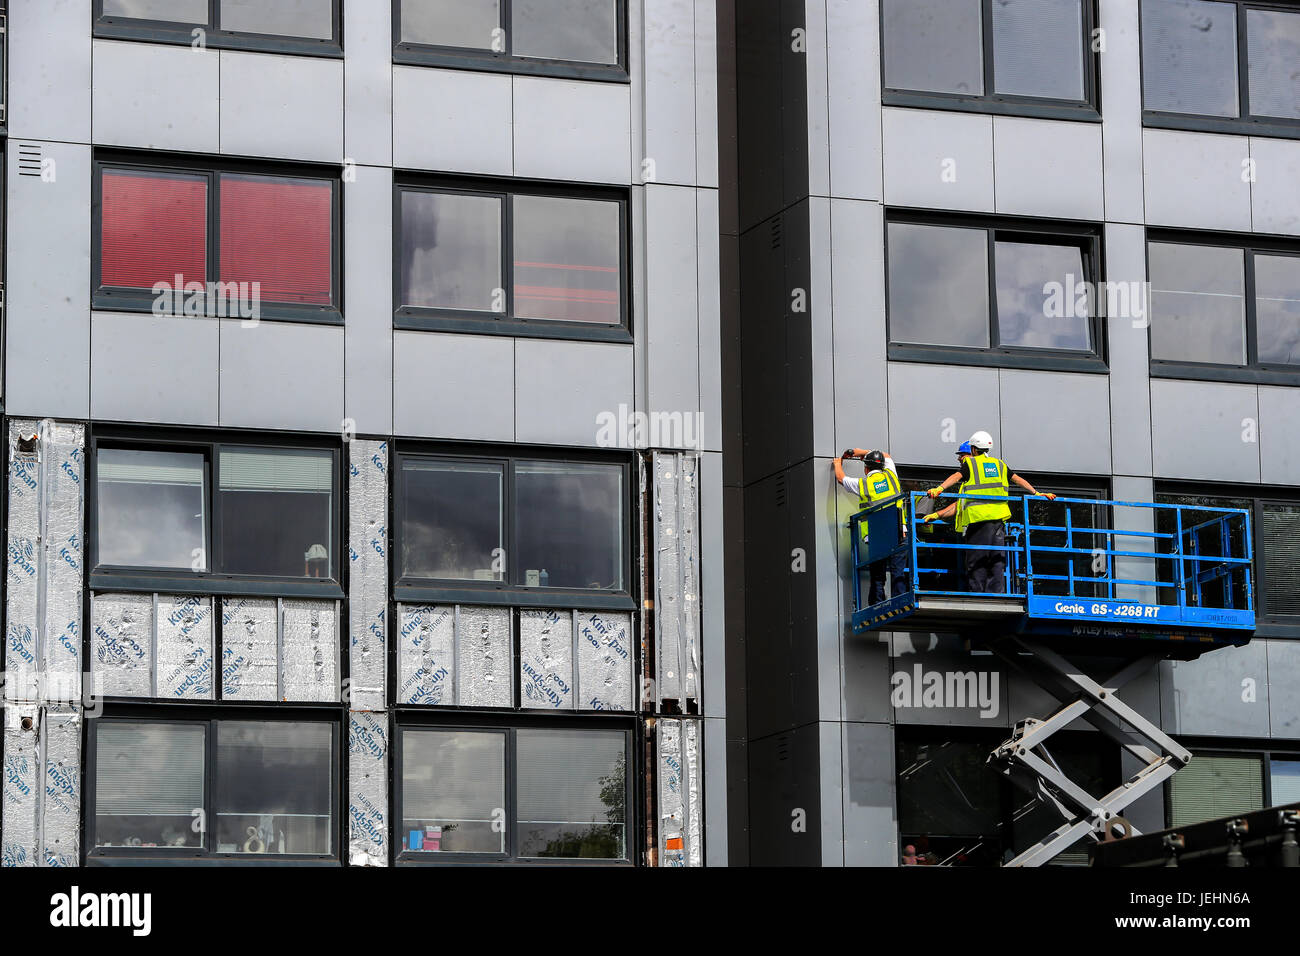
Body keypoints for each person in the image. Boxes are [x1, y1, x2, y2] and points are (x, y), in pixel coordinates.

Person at [923, 431, 1055, 594]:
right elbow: (1017, 479)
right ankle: (996, 594)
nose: (959, 459)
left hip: (979, 520)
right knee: (996, 559)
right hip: (998, 520)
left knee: (977, 559)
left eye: (962, 455)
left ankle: (977, 594)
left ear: (972, 450)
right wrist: (1036, 493)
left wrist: (939, 488)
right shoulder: (999, 464)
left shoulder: (971, 465)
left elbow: (955, 477)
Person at [835, 447, 910, 604]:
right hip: (899, 531)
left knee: (877, 575)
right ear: (882, 465)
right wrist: (861, 452)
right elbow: (887, 455)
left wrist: (838, 462)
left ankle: (876, 603)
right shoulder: (891, 475)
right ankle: (900, 601)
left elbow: (841, 479)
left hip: (877, 536)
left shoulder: (863, 484)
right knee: (898, 571)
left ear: (866, 468)